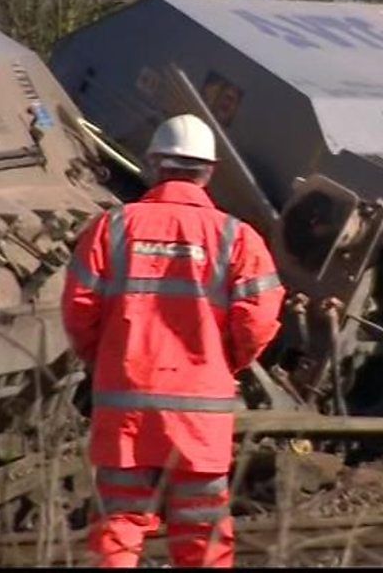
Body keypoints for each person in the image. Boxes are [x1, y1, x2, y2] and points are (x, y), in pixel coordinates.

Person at [62, 114, 285, 568]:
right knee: (202, 529)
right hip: (200, 414)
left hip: (126, 406)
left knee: (120, 522)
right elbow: (260, 319)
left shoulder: (112, 228)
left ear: (154, 166)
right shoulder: (236, 238)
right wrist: (229, 362)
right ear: (209, 171)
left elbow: (79, 308)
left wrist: (103, 360)